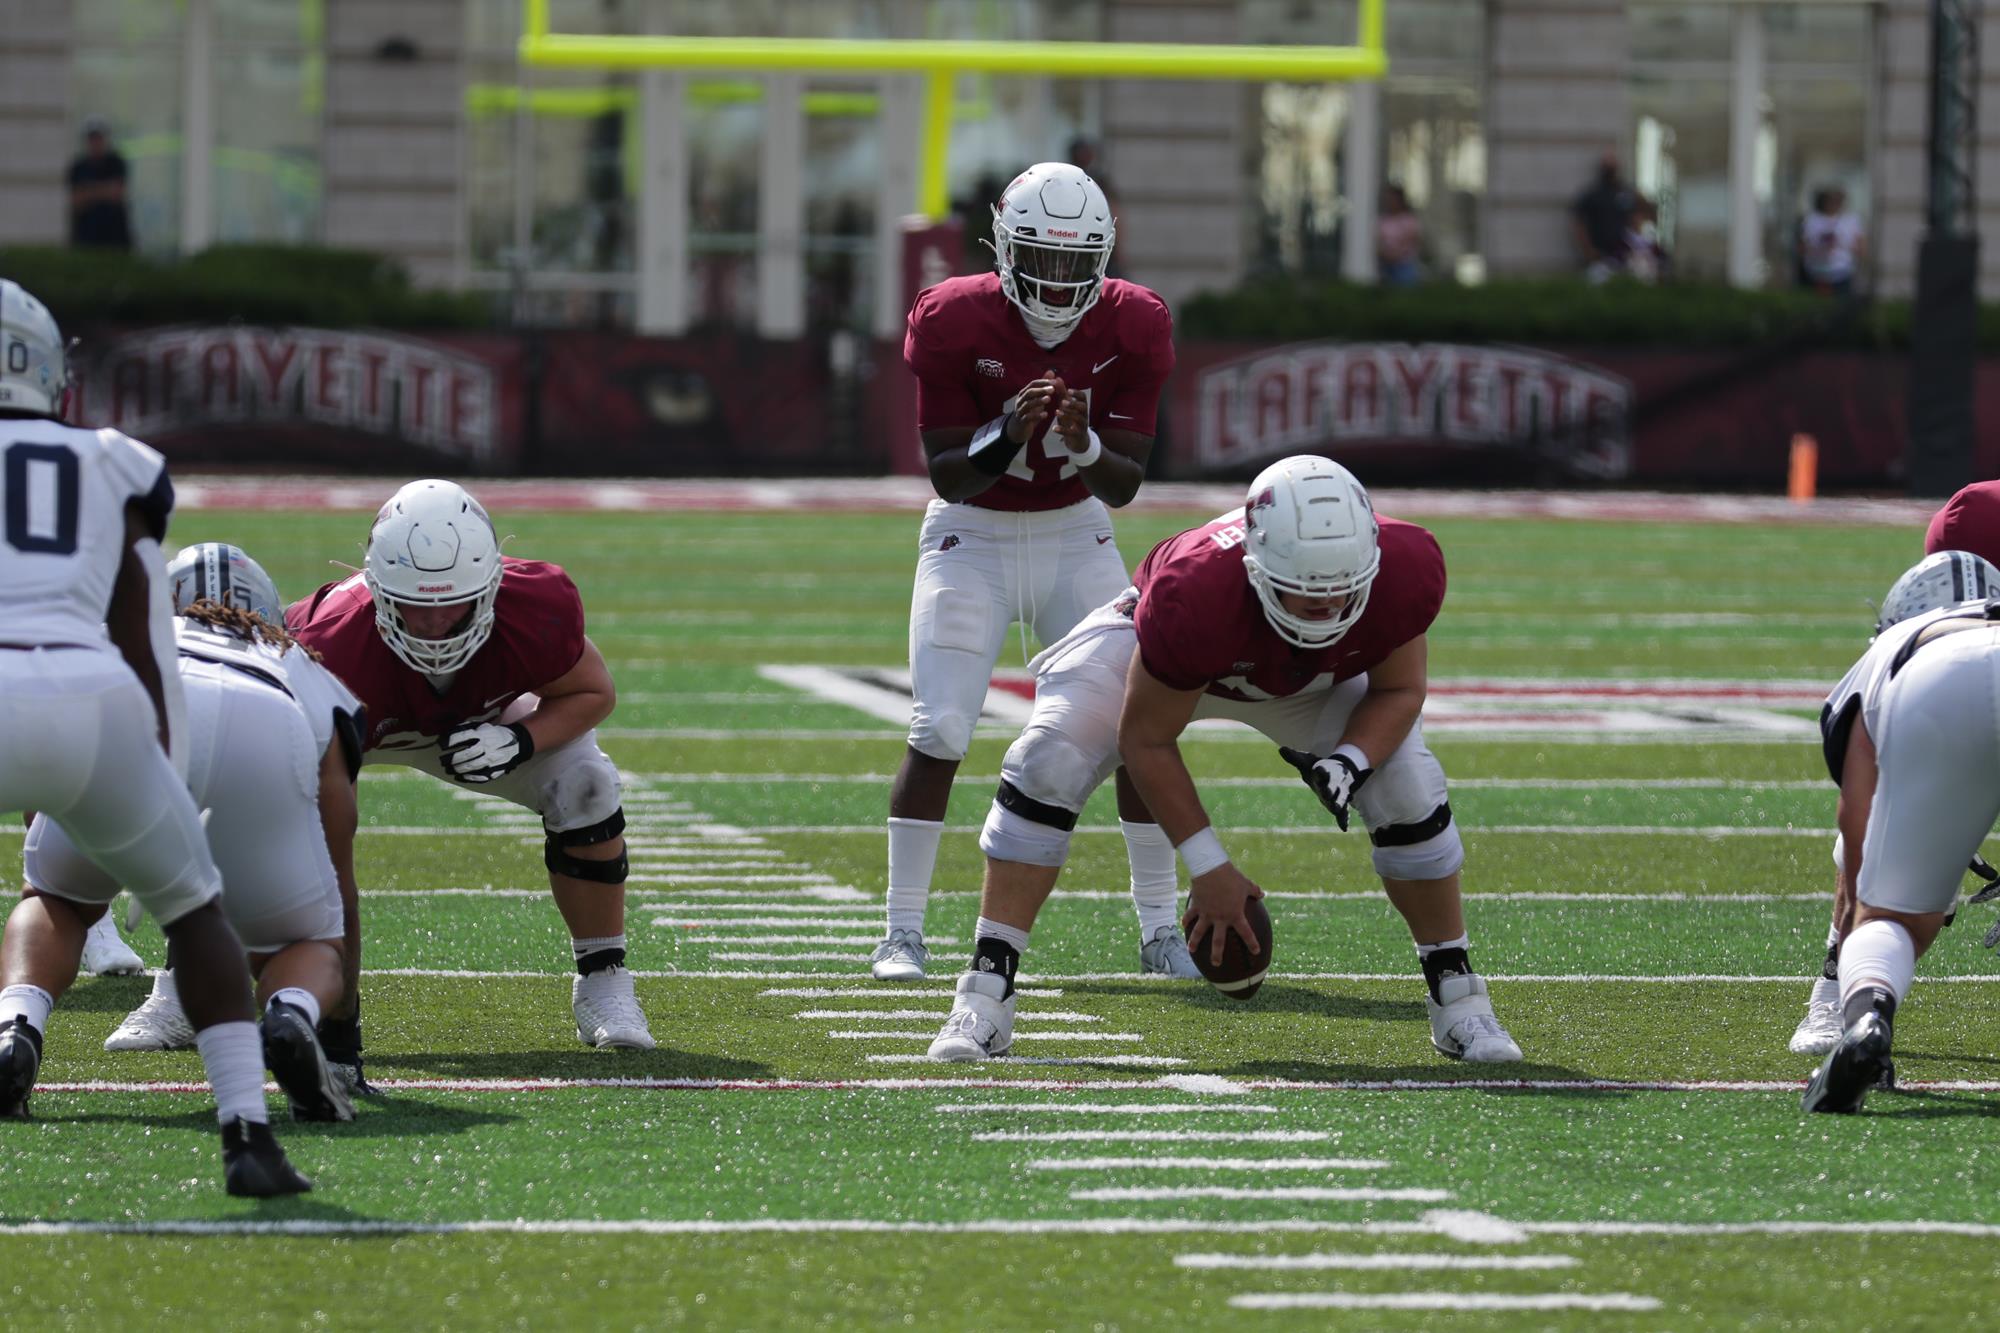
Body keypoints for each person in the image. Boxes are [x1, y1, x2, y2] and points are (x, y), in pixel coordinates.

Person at [925, 455, 1522, 1066]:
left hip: (1309, 679)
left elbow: (1399, 690)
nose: (1324, 603)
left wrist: (1349, 760)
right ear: (1257, 562)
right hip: (1170, 653)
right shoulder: (1197, 590)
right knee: (1046, 759)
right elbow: (1147, 740)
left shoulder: (1405, 566)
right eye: (1304, 587)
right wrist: (1208, 868)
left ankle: (1460, 1002)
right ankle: (985, 993)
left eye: (1342, 587)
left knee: (1407, 781)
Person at [0, 280, 308, 1195]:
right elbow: (148, 639)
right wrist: (164, 785)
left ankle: (14, 1022)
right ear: (51, 371)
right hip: (88, 704)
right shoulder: (114, 461)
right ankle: (247, 1134)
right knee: (197, 913)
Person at [873, 161, 1188, 984]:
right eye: (1038, 260)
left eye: (1073, 264)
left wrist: (1082, 442)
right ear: (1003, 252)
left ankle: (1160, 928)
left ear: (1104, 260)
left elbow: (1121, 484)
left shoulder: (1135, 323)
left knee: (1133, 730)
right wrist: (1008, 435)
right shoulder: (952, 316)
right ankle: (901, 932)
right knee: (940, 726)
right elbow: (948, 473)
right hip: (970, 536)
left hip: (1075, 533)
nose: (1054, 283)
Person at [297, 480, 651, 1049]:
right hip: (353, 723)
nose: (434, 624)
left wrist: (519, 742)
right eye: (414, 605)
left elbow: (593, 694)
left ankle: (604, 980)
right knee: (267, 814)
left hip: (483, 716)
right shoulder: (328, 643)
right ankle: (185, 985)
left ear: (491, 583)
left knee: (587, 782)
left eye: (451, 603)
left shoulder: (533, 606)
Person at [34, 547, 364, 1120]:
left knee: (55, 903)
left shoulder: (116, 640)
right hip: (263, 721)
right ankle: (291, 1012)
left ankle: (18, 1023)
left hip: (126, 720)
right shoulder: (301, 663)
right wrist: (342, 1028)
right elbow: (337, 854)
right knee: (308, 940)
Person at [1788, 547, 2000, 1055]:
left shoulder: (1892, 648)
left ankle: (1859, 1018)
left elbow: (1856, 816)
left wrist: (1875, 905)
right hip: (1941, 688)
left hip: (1936, 686)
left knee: (1891, 918)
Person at [66, 117, 133, 252]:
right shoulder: (78, 166)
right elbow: (76, 200)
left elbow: (116, 193)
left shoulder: (116, 163)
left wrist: (88, 191)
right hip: (86, 237)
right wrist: (104, 189)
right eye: (92, 139)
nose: (95, 143)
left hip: (115, 237)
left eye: (99, 138)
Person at [1571, 151, 1634, 282]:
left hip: (1622, 255)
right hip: (1599, 256)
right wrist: (1589, 250)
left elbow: (1635, 218)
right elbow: (1579, 223)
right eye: (1608, 167)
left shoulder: (1624, 192)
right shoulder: (1592, 195)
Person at [1799, 187, 1866, 298]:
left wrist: (1844, 245)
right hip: (1815, 273)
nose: (1833, 204)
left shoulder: (1851, 220)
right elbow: (1802, 247)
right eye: (1830, 200)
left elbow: (1861, 248)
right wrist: (1818, 247)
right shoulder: (1811, 220)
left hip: (1842, 273)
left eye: (1837, 201)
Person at [1376, 184, 1423, 287]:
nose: (1390, 202)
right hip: (1386, 265)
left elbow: (1411, 240)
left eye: (1393, 199)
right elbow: (1379, 241)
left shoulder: (1408, 220)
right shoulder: (1383, 220)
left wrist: (1395, 254)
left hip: (1403, 265)